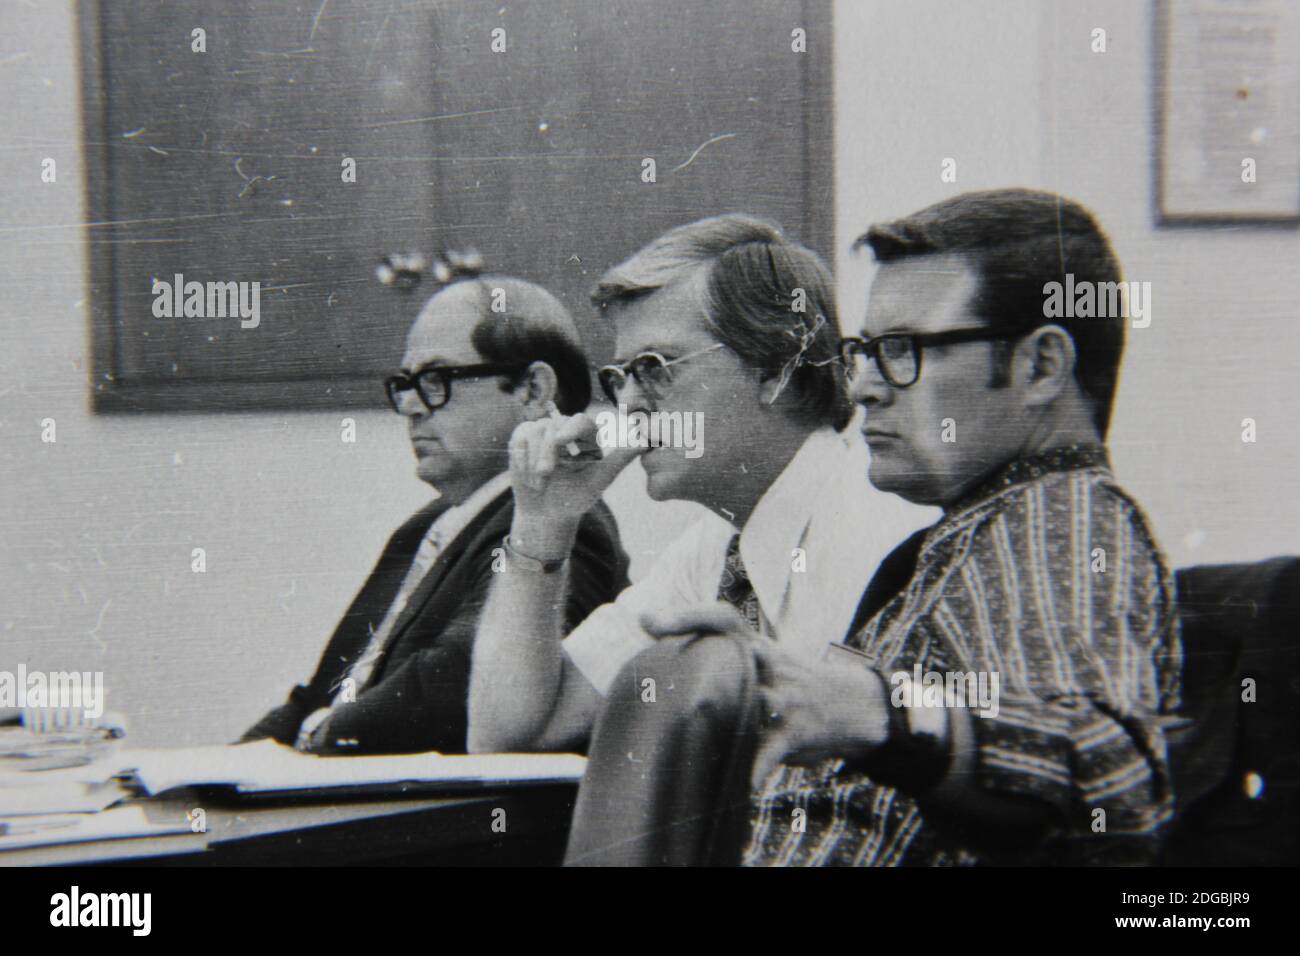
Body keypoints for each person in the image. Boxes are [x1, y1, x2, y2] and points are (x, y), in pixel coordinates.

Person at [643, 190, 1184, 865]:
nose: (865, 386)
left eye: (904, 348)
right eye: (863, 350)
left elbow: (1118, 790)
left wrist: (881, 715)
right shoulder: (970, 539)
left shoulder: (1056, 516)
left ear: (1042, 366)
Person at [466, 214, 932, 754]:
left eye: (656, 368)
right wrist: (542, 523)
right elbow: (508, 733)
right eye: (620, 378)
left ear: (775, 370)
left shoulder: (884, 527)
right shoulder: (711, 552)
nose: (631, 406)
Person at [241, 261, 627, 755]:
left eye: (437, 379)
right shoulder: (425, 527)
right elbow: (320, 692)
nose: (412, 407)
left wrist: (311, 741)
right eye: (406, 384)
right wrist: (190, 775)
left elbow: (451, 688)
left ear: (534, 391)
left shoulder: (567, 526)